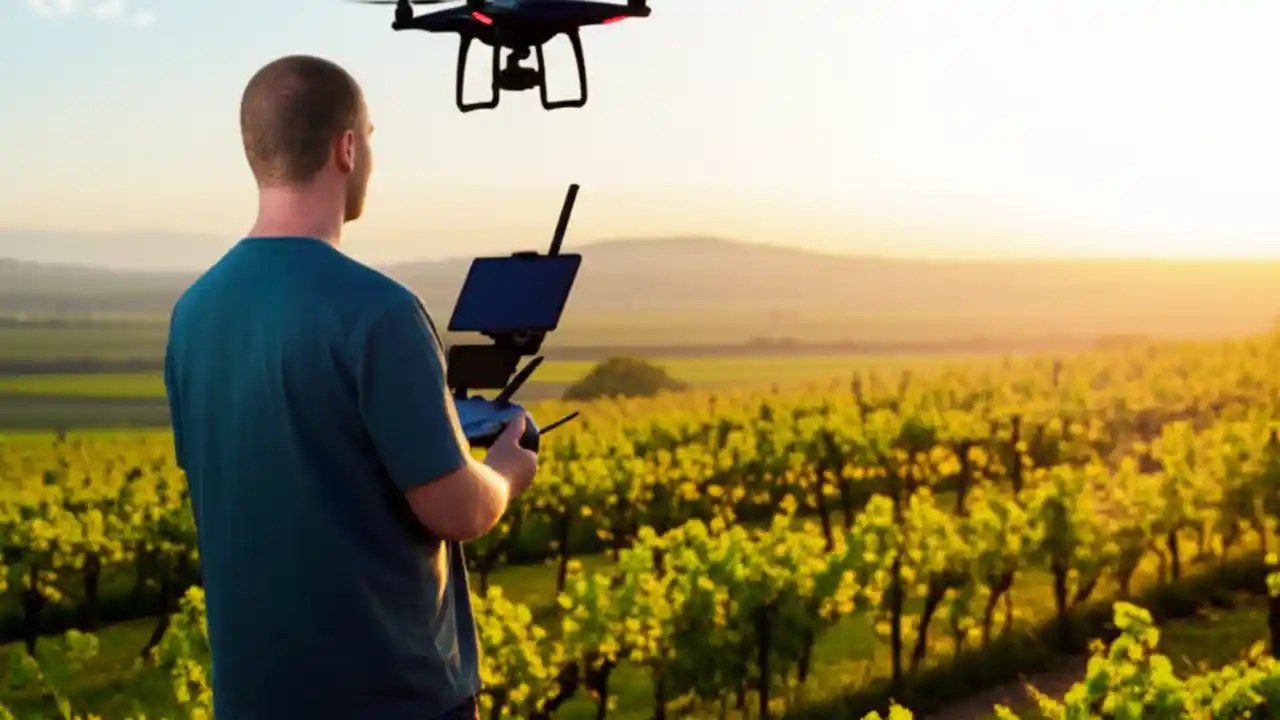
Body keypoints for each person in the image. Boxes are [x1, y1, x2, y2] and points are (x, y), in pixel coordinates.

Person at [163, 54, 538, 720]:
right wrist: (505, 471)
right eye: (370, 137)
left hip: (253, 699)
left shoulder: (193, 311)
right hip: (391, 698)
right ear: (346, 148)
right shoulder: (381, 312)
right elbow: (456, 510)